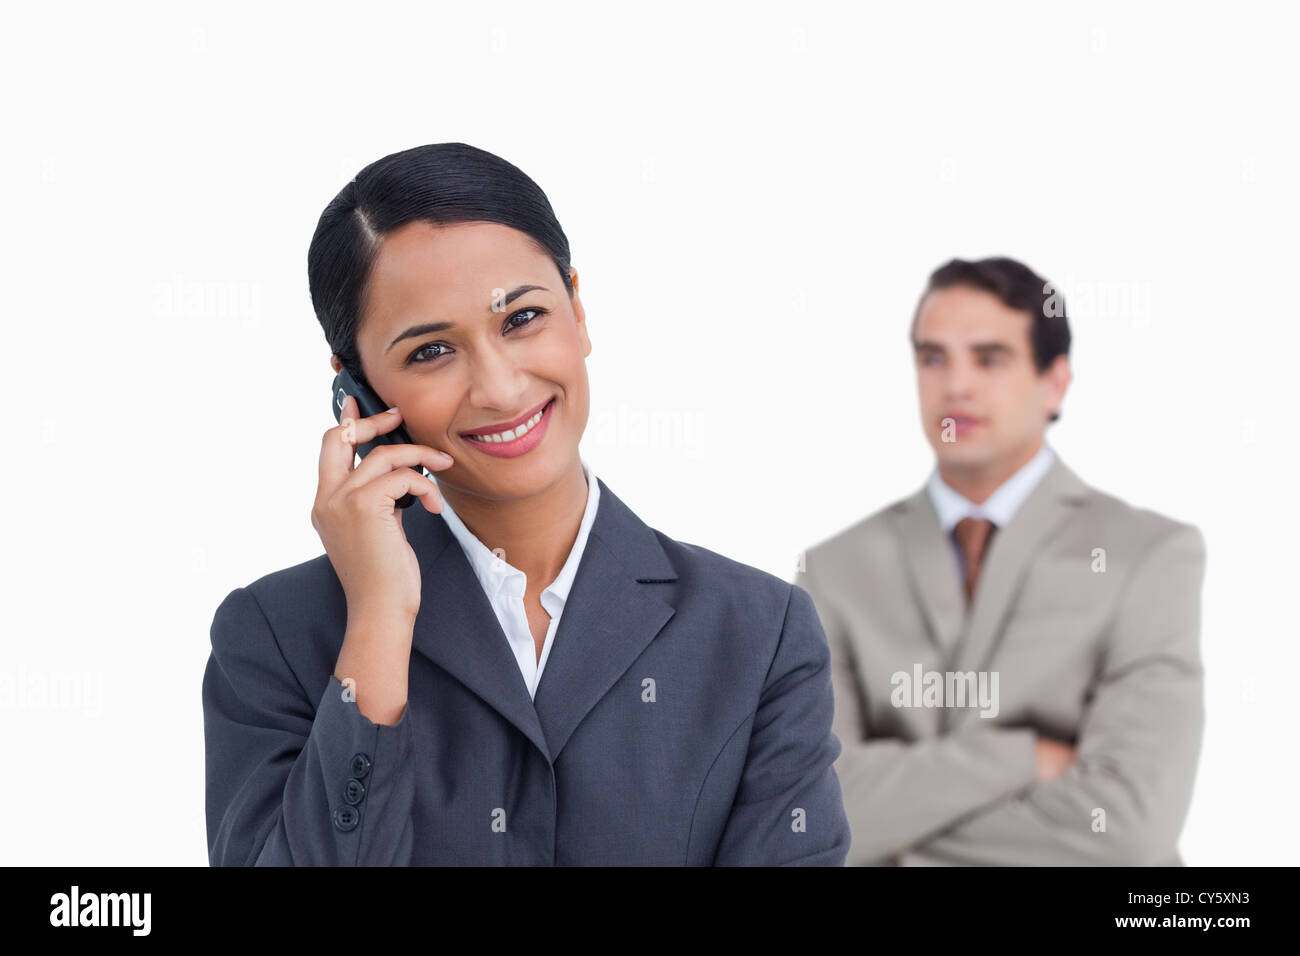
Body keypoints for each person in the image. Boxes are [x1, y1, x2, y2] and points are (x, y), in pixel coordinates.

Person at [202, 142, 850, 866]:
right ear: (359, 390)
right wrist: (378, 621)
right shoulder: (273, 638)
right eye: (429, 352)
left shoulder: (759, 636)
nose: (501, 388)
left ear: (576, 305)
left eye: (521, 319)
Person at [795, 256, 1206, 865]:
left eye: (989, 359)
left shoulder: (1148, 556)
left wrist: (895, 832)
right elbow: (815, 808)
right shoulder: (835, 568)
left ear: (1055, 381)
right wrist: (1024, 757)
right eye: (933, 358)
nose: (955, 385)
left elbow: (1129, 826)